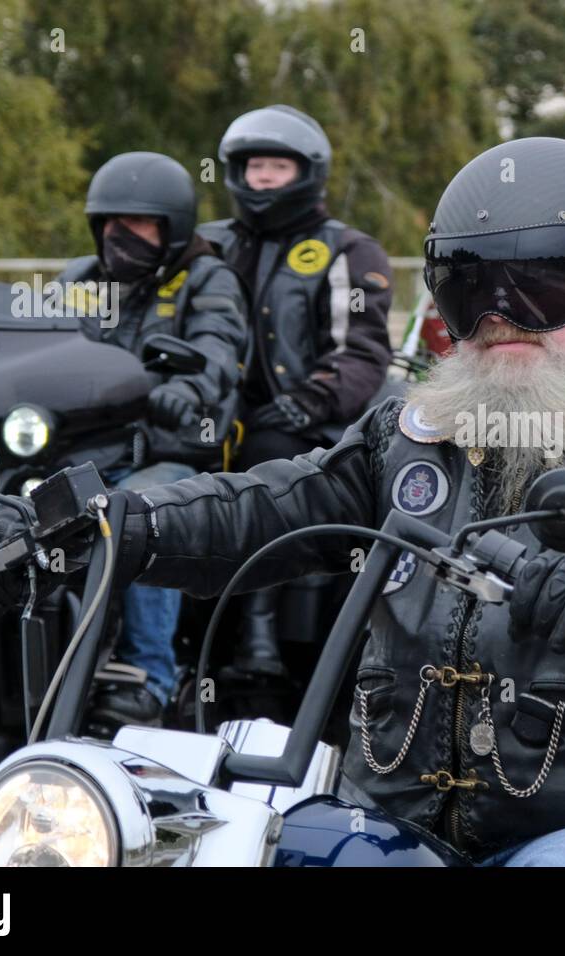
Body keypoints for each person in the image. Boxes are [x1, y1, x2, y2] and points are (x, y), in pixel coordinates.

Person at [0, 137, 565, 866]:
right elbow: (267, 504)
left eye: (539, 288)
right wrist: (97, 523)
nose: (499, 318)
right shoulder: (409, 432)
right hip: (394, 821)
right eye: (471, 287)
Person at [199, 105, 393, 679]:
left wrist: (312, 398)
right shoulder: (206, 245)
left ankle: (257, 632)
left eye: (276, 166)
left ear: (306, 172)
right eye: (253, 165)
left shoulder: (348, 250)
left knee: (268, 451)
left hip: (308, 419)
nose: (262, 177)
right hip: (215, 410)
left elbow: (362, 351)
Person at [57, 151, 248, 726]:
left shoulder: (208, 278)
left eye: (139, 225)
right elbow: (32, 346)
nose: (123, 238)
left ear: (173, 228)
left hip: (174, 451)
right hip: (85, 451)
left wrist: (189, 389)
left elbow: (220, 350)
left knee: (134, 517)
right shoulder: (79, 282)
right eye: (112, 225)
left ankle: (151, 675)